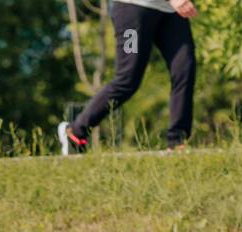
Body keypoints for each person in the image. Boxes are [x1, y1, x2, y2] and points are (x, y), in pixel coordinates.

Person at [58, 0, 197, 155]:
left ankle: (178, 141)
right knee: (127, 80)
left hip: (171, 12)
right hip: (133, 10)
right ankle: (75, 131)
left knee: (185, 70)